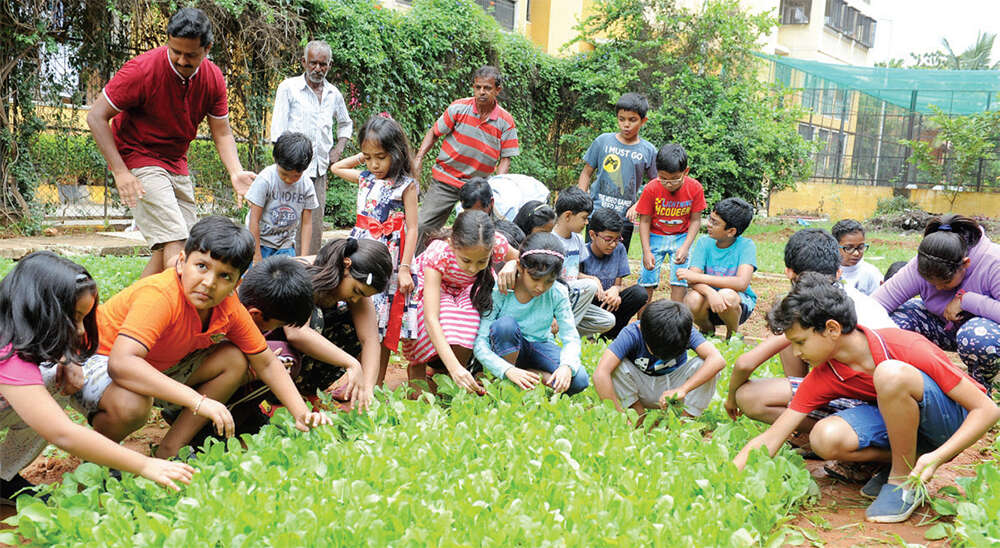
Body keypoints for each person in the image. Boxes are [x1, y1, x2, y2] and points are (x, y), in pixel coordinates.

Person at [733, 273, 999, 524]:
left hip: (948, 422)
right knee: (824, 437)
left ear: (832, 329)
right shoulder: (827, 373)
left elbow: (987, 409)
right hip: (909, 428)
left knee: (890, 375)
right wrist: (726, 479)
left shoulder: (904, 346)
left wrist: (939, 457)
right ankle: (908, 457)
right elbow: (773, 437)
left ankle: (901, 478)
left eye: (801, 342)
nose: (796, 352)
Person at [73, 217, 331, 459]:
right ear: (181, 261)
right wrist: (197, 401)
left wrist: (301, 413)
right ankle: (99, 460)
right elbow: (122, 364)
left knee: (234, 359)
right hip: (93, 361)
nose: (208, 283)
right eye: (201, 266)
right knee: (132, 405)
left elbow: (266, 362)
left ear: (236, 284)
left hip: (152, 367)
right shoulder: (161, 295)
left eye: (224, 276)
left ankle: (170, 451)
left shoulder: (229, 307)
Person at [0, 252, 194, 504]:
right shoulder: (8, 357)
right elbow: (63, 433)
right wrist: (145, 465)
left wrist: (66, 359)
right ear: (42, 310)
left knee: (52, 380)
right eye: (75, 318)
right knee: (46, 399)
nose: (81, 330)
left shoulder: (11, 323)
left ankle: (3, 477)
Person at [86, 7, 256, 278]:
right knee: (178, 250)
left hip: (176, 163)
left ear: (207, 48)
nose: (180, 59)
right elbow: (96, 117)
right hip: (138, 157)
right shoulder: (142, 70)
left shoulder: (213, 79)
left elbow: (222, 132)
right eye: (175, 51)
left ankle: (131, 314)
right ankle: (173, 317)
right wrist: (120, 172)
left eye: (190, 54)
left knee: (190, 246)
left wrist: (235, 172)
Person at [726, 229, 897, 480]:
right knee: (789, 337)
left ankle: (869, 453)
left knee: (753, 395)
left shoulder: (814, 307)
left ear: (789, 273)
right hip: (881, 398)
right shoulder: (853, 299)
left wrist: (730, 399)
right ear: (838, 272)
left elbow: (745, 362)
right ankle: (816, 433)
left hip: (878, 406)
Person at [219, 251, 387, 439]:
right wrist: (351, 363)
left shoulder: (353, 280)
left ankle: (297, 393)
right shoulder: (302, 273)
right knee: (282, 359)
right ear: (346, 266)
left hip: (267, 353)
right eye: (356, 291)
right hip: (266, 348)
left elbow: (371, 339)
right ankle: (258, 403)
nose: (356, 299)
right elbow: (296, 333)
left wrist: (368, 390)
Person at [873, 214, 1000, 392]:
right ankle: (917, 384)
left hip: (985, 338)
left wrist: (967, 300)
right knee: (895, 319)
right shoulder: (925, 262)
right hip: (944, 329)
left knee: (976, 335)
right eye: (931, 283)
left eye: (945, 282)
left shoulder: (993, 262)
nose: (938, 288)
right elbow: (876, 304)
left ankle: (980, 389)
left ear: (965, 264)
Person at [330, 114, 418, 368]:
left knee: (384, 317)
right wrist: (364, 154)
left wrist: (404, 268)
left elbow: (412, 228)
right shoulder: (365, 177)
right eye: (368, 158)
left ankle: (375, 381)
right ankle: (353, 374)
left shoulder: (406, 186)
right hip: (361, 249)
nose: (374, 164)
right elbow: (336, 168)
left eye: (380, 157)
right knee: (356, 311)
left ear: (396, 152)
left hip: (389, 257)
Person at [402, 211, 516, 395]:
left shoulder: (497, 244)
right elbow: (432, 318)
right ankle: (418, 369)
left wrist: (512, 264)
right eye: (466, 260)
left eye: (481, 262)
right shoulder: (439, 252)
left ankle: (450, 377)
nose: (472, 268)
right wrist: (454, 368)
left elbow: (521, 257)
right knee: (431, 322)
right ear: (452, 243)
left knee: (468, 323)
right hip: (431, 289)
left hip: (465, 289)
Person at [414, 66, 519, 249]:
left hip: (477, 187)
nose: (481, 92)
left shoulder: (506, 120)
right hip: (446, 179)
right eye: (478, 87)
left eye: (487, 88)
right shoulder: (459, 107)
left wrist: (496, 184)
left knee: (482, 232)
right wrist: (419, 157)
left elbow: (506, 158)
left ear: (497, 90)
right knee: (423, 225)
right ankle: (414, 269)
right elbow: (434, 132)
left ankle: (478, 274)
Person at [474, 232, 590, 396]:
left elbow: (570, 337)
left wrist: (566, 366)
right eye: (535, 279)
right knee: (505, 325)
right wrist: (506, 369)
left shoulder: (558, 292)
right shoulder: (502, 288)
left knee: (579, 380)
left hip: (540, 346)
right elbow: (480, 343)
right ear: (520, 267)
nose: (541, 287)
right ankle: (507, 379)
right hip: (507, 348)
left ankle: (531, 374)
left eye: (549, 281)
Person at [270, 39, 354, 256]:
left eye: (323, 64)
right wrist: (282, 168)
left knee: (314, 225)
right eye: (313, 63)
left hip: (318, 170)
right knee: (284, 220)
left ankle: (308, 269)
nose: (318, 69)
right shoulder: (288, 88)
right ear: (303, 62)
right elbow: (278, 132)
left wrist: (338, 149)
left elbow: (346, 123)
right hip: (290, 170)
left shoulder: (333, 94)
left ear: (329, 65)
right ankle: (281, 267)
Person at [593, 300, 725, 424]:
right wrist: (618, 414)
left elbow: (717, 360)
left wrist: (683, 389)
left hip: (675, 390)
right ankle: (639, 417)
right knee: (615, 365)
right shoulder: (632, 333)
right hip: (641, 388)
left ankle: (683, 422)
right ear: (642, 330)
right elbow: (600, 374)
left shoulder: (682, 329)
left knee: (705, 365)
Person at [577, 93, 657, 253]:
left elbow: (656, 185)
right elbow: (586, 173)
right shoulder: (602, 141)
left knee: (617, 262)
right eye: (622, 119)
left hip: (624, 220)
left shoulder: (648, 150)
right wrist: (580, 201)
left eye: (632, 120)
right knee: (589, 258)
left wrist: (639, 205)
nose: (626, 124)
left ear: (643, 121)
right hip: (596, 214)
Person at [636, 143, 706, 303]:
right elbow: (644, 221)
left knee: (679, 280)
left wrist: (686, 246)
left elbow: (695, 220)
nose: (669, 184)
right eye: (663, 178)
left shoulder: (695, 188)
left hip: (681, 237)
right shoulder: (651, 188)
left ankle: (676, 321)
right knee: (647, 279)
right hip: (655, 236)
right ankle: (643, 323)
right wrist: (646, 251)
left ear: (685, 171)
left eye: (675, 179)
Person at [679, 197, 757, 339]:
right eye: (710, 219)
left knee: (727, 295)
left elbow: (741, 283)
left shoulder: (746, 246)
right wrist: (710, 292)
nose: (708, 224)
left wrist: (699, 277)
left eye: (715, 223)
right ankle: (707, 330)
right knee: (691, 300)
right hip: (707, 301)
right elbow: (691, 281)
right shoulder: (704, 242)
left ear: (731, 231)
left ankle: (732, 335)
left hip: (736, 304)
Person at [246, 132, 319, 262]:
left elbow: (307, 223)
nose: (289, 180)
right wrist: (256, 256)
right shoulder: (266, 180)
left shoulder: (306, 185)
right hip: (259, 242)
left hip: (285, 245)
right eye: (284, 174)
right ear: (276, 161)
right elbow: (254, 221)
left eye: (296, 176)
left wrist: (304, 258)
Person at [552, 187, 614, 337]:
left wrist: (591, 278)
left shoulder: (578, 239)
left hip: (573, 296)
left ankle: (561, 330)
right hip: (555, 296)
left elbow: (573, 273)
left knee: (607, 320)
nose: (586, 222)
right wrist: (590, 283)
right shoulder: (550, 240)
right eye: (584, 217)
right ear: (568, 215)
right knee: (589, 286)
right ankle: (567, 337)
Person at [580, 208, 648, 339]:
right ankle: (587, 335)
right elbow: (573, 279)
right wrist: (591, 279)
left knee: (639, 293)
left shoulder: (619, 249)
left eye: (617, 239)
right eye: (608, 239)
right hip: (588, 305)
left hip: (609, 304)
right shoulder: (583, 251)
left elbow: (617, 284)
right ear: (593, 235)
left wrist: (615, 291)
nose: (613, 244)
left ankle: (609, 337)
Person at [458, 177, 525, 248]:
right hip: (503, 180)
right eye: (469, 213)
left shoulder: (507, 212)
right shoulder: (462, 207)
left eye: (477, 213)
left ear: (491, 202)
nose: (473, 217)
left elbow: (514, 239)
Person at [832, 219, 882, 296]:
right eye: (848, 248)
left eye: (861, 247)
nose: (856, 253)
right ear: (835, 246)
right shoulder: (827, 272)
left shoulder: (871, 274)